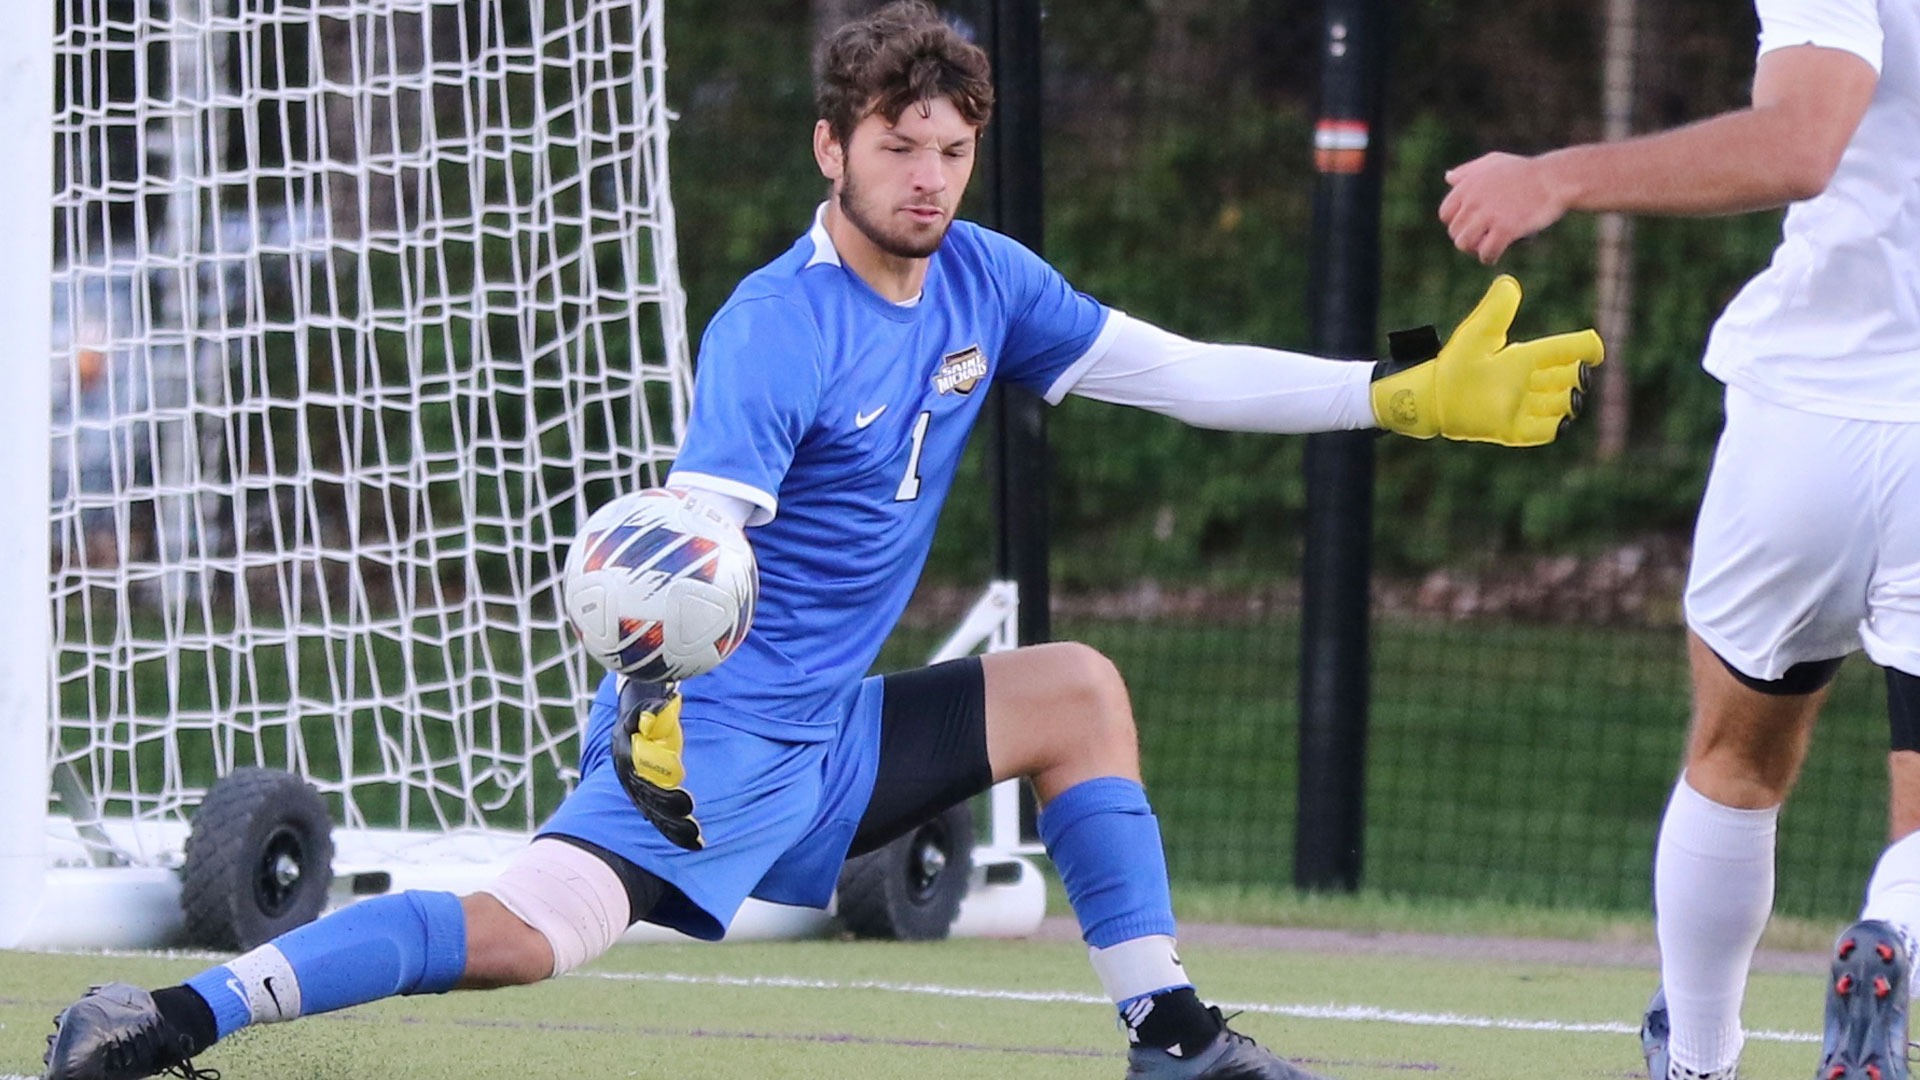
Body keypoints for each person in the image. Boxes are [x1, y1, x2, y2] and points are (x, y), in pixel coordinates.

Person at [41, 4, 1601, 1079]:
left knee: (1074, 692)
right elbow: (698, 537)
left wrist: (1393, 392)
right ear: (830, 150)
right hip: (708, 752)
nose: (928, 178)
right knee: (516, 941)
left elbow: (1175, 371)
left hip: (838, 736)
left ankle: (1172, 1035)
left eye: (952, 148)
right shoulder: (777, 327)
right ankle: (171, 1019)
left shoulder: (987, 278)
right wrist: (654, 705)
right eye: (899, 147)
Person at [1438, 3, 1919, 1080]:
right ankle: (1895, 940)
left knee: (1736, 758)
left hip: (1808, 414)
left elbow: (1803, 142)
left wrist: (1557, 175)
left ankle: (1698, 1059)